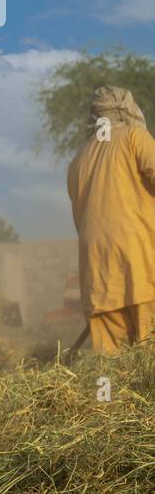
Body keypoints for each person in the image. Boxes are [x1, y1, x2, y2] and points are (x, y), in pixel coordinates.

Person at [66, 85, 155, 355]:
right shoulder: (134, 137)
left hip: (97, 267)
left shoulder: (79, 157)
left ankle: (108, 395)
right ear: (126, 109)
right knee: (148, 349)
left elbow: (81, 214)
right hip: (138, 258)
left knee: (111, 361)